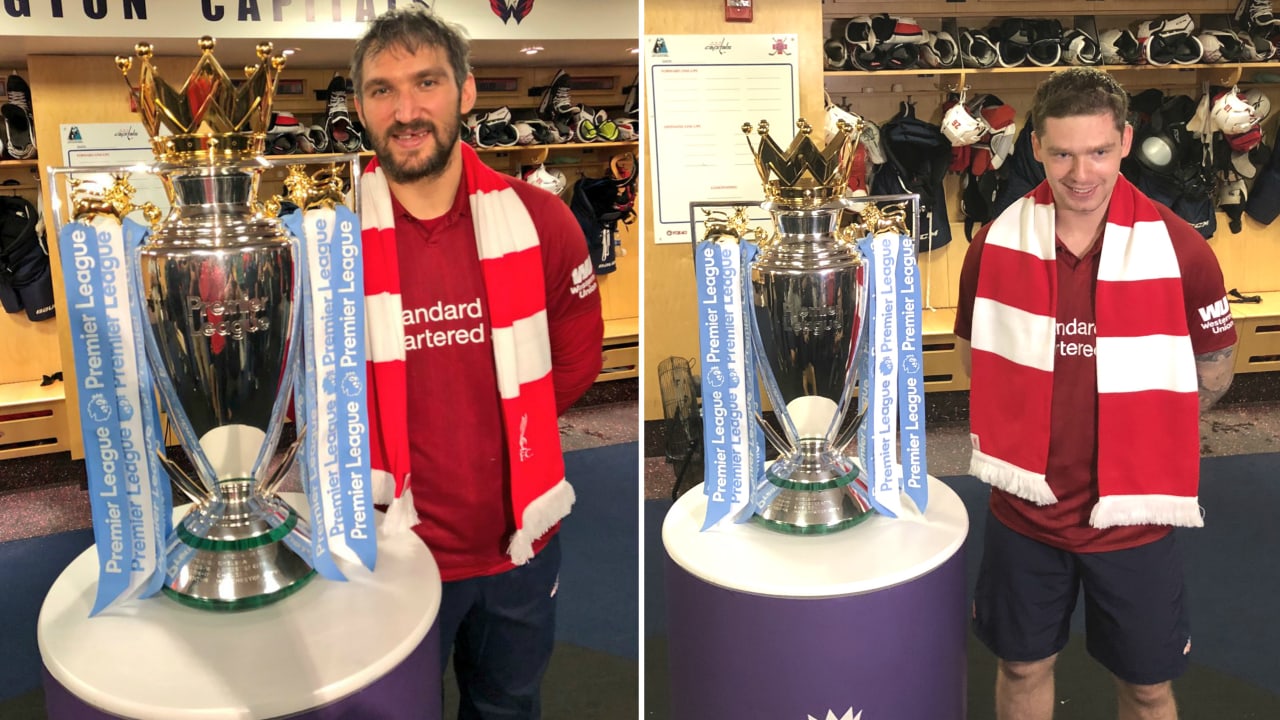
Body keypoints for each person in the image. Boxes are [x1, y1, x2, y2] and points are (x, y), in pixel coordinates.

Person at [954, 67, 1238, 720]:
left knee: (1147, 687)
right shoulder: (994, 244)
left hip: (1134, 517)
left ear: (1126, 141)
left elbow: (1215, 369)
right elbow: (976, 359)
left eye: (1099, 152)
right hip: (1027, 509)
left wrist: (1145, 426)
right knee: (1021, 666)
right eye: (1062, 154)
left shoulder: (1182, 248)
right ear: (1035, 147)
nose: (1081, 174)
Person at [350, 6, 604, 718]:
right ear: (361, 107)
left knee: (507, 708)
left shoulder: (541, 219)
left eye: (426, 83)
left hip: (516, 546)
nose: (406, 111)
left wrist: (506, 434)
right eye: (382, 90)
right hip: (384, 547)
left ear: (465, 91)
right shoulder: (329, 240)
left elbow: (575, 364)